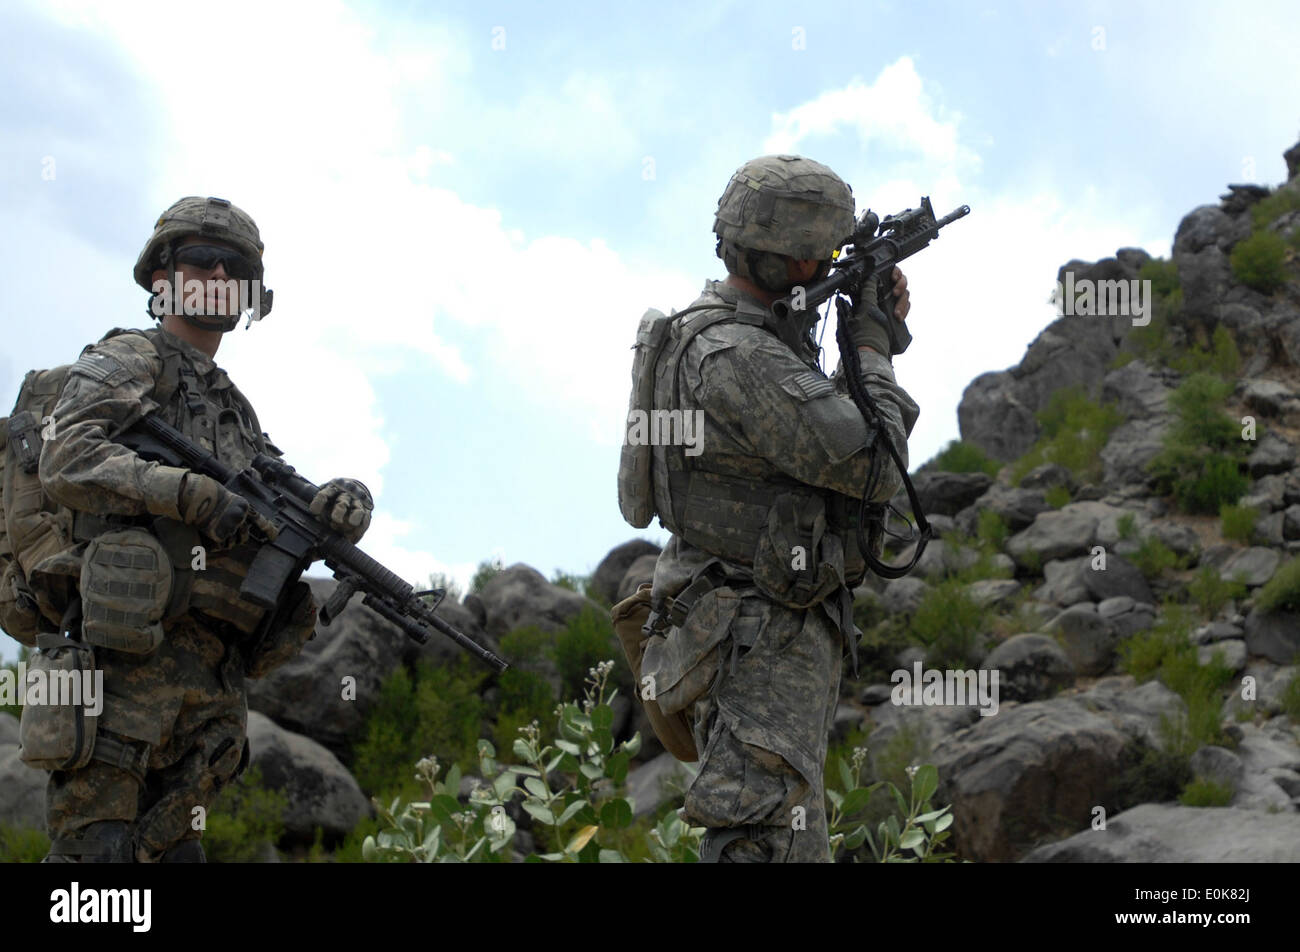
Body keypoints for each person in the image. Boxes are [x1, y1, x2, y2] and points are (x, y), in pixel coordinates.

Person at [33, 196, 374, 862]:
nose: (219, 276)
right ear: (162, 278)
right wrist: (185, 493)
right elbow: (66, 455)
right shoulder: (132, 357)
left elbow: (277, 486)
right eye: (200, 261)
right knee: (94, 862)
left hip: (208, 676)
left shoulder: (232, 408)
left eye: (236, 266)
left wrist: (338, 501)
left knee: (174, 855)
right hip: (117, 660)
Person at [635, 155, 920, 862]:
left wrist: (872, 332)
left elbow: (795, 433)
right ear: (787, 265)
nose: (826, 268)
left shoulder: (720, 334)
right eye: (821, 257)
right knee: (763, 837)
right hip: (757, 638)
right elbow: (876, 463)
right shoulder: (739, 355)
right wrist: (873, 344)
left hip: (739, 620)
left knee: (787, 832)